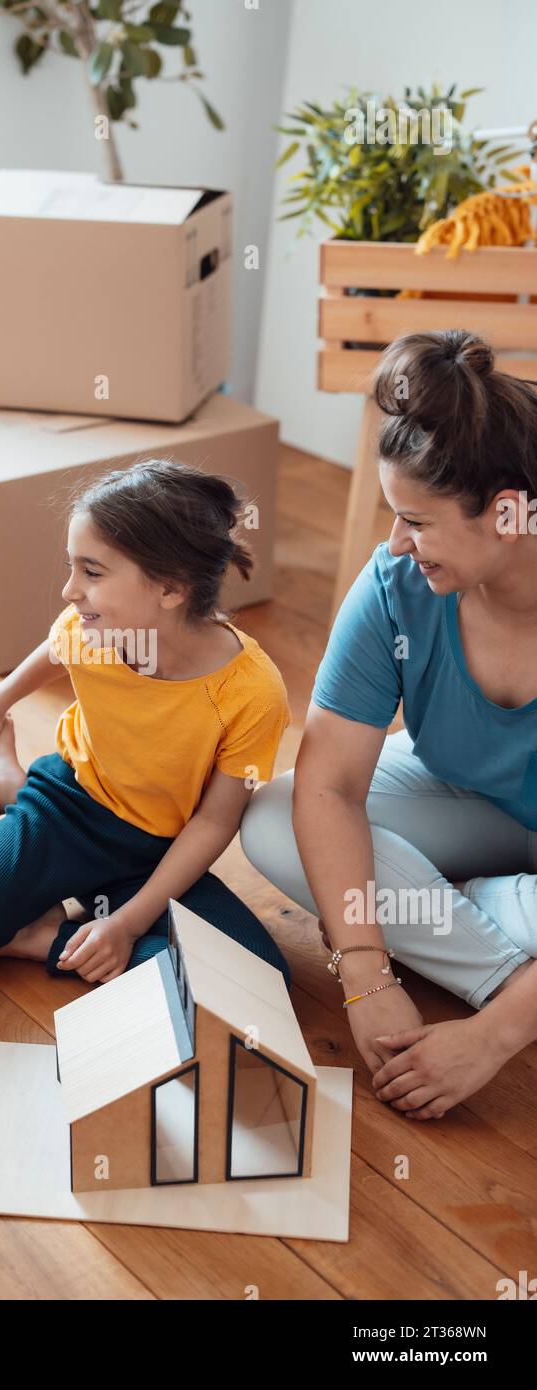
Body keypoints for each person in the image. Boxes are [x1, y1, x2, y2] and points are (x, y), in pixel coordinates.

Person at [0, 459, 291, 1011]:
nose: (69, 590)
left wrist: (128, 925)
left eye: (92, 571)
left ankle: (46, 936)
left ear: (171, 588)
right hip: (64, 813)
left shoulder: (253, 692)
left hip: (157, 854)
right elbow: (52, 652)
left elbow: (214, 820)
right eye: (71, 567)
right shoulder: (93, 630)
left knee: (261, 981)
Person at [240, 329, 537, 1119]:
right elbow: (331, 785)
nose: (397, 543)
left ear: (507, 513)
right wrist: (364, 976)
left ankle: (480, 944)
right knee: (274, 812)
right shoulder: (396, 586)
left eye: (418, 521)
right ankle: (501, 942)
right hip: (469, 801)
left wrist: (495, 1036)